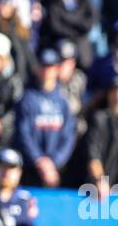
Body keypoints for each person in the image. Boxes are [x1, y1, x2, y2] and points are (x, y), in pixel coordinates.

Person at [13, 47, 76, 188]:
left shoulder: (63, 102)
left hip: (56, 171)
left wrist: (54, 162)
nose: (47, 71)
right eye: (43, 66)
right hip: (30, 170)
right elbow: (23, 134)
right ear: (37, 68)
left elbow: (69, 136)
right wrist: (39, 161)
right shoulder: (26, 99)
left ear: (57, 69)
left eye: (51, 66)